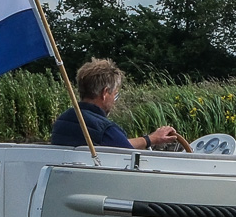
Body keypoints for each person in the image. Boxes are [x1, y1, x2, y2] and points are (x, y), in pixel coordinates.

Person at [51, 58, 184, 151]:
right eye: (115, 94)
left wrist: (152, 139)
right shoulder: (104, 130)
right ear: (105, 93)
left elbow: (119, 144)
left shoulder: (63, 121)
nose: (114, 100)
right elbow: (125, 150)